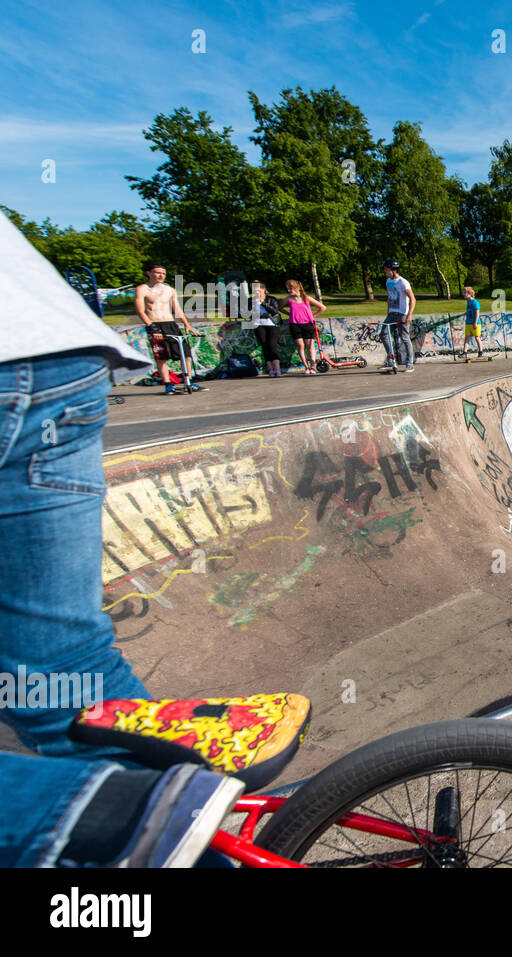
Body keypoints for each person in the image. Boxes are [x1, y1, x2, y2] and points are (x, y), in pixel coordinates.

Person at [0, 216, 243, 866]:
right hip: (54, 352)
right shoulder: (144, 290)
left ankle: (119, 809)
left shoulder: (166, 290)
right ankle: (186, 828)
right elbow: (144, 308)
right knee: (58, 667)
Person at [135, 262, 206, 394]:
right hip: (155, 324)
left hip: (171, 324)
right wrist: (153, 328)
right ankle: (168, 385)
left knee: (186, 354)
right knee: (161, 357)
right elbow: (141, 311)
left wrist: (187, 325)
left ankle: (188, 381)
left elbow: (177, 309)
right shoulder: (142, 289)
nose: (161, 276)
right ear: (149, 273)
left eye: (163, 273)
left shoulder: (170, 290)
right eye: (157, 273)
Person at [279, 279, 325, 374]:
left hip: (307, 324)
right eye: (288, 289)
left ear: (297, 288)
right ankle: (306, 366)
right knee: (301, 345)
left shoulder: (306, 298)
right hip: (295, 325)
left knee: (310, 346)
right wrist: (289, 314)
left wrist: (313, 316)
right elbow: (280, 307)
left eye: (291, 288)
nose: (289, 291)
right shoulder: (288, 299)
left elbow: (322, 307)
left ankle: (312, 366)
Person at [380, 260, 415, 372]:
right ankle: (391, 359)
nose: (385, 271)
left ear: (393, 269)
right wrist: (388, 311)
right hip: (392, 313)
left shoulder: (403, 282)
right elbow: (389, 297)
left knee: (405, 337)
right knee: (383, 334)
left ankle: (409, 364)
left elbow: (413, 299)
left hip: (402, 314)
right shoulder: (388, 281)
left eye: (386, 269)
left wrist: (409, 314)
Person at [246, 281, 283, 377]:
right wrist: (262, 315)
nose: (257, 292)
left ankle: (277, 369)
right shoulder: (250, 300)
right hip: (258, 324)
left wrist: (263, 303)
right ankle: (271, 369)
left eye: (259, 290)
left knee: (272, 345)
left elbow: (275, 311)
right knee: (264, 345)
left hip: (272, 324)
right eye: (254, 290)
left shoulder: (271, 299)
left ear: (264, 290)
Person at [461, 286, 484, 358]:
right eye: (463, 292)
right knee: (467, 338)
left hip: (475, 323)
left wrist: (475, 323)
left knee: (477, 337)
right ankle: (464, 352)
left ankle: (480, 352)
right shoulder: (468, 301)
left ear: (470, 293)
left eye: (465, 292)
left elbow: (477, 312)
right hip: (468, 323)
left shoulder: (475, 302)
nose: (463, 294)